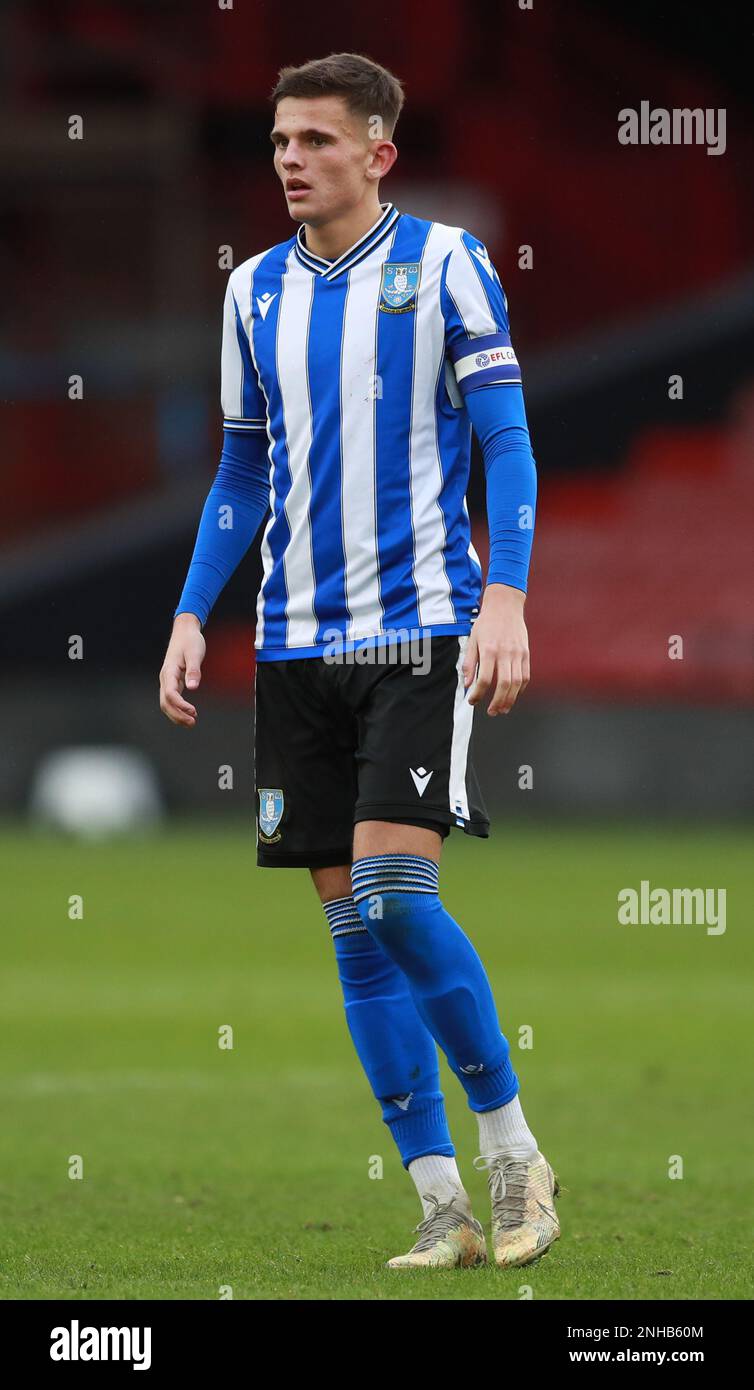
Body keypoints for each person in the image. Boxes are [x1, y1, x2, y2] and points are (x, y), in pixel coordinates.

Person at [159, 51, 561, 1270]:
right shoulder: (253, 294)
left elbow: (506, 439)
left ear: (377, 151)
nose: (290, 158)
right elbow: (240, 470)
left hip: (417, 630)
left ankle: (514, 1157)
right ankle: (440, 1203)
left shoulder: (443, 264)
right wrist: (191, 611)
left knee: (395, 892)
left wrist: (506, 595)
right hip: (293, 643)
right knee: (352, 933)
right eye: (280, 140)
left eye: (317, 140)